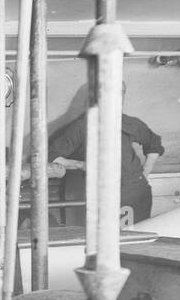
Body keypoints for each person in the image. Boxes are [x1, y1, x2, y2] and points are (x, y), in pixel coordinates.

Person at [47, 83, 165, 223]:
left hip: (135, 193)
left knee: (134, 238)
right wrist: (81, 165)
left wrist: (145, 172)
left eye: (120, 95)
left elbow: (154, 144)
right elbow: (51, 157)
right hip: (99, 195)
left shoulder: (130, 123)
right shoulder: (82, 127)